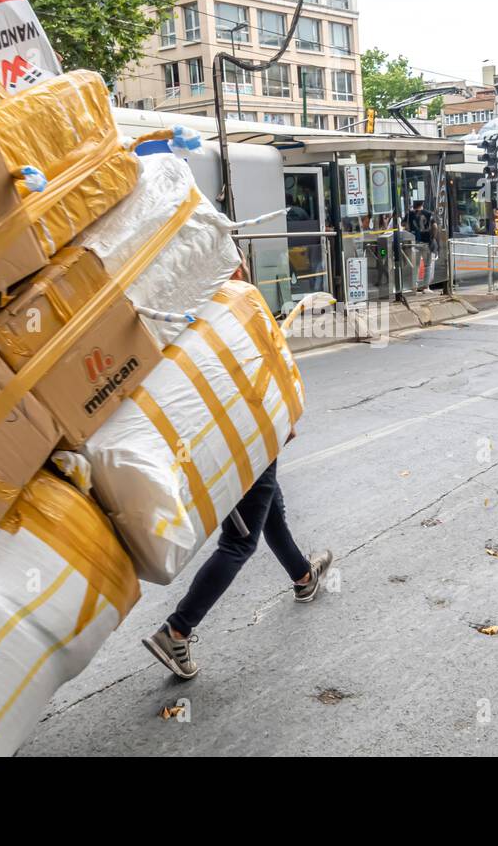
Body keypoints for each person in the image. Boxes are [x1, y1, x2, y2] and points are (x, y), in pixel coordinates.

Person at [142, 260, 334, 681]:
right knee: (239, 542)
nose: (243, 271)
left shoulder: (189, 312)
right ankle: (177, 630)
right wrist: (281, 420)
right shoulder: (232, 311)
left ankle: (303, 576)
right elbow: (259, 372)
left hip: (225, 433)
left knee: (271, 508)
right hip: (243, 435)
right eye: (237, 266)